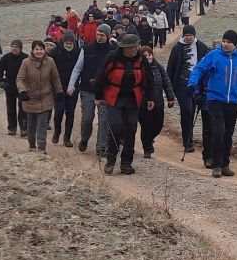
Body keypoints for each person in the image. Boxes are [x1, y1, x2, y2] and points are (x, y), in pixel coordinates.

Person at [186, 29, 237, 178]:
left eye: (229, 42)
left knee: (228, 135)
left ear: (234, 43)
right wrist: (192, 84)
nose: (225, 44)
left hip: (233, 102)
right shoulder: (214, 55)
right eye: (224, 41)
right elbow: (199, 69)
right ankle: (216, 165)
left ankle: (225, 164)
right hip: (215, 100)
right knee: (218, 132)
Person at [94, 34, 157, 174]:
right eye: (132, 47)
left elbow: (149, 79)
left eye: (136, 46)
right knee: (115, 127)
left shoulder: (141, 59)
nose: (135, 49)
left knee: (131, 129)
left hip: (133, 99)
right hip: (114, 98)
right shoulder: (112, 57)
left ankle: (126, 163)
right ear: (124, 48)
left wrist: (150, 98)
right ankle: (110, 160)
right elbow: (100, 76)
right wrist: (98, 97)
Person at [166, 24, 211, 158]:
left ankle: (199, 139)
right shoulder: (177, 49)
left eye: (190, 35)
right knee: (187, 109)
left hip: (197, 84)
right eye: (186, 35)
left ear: (194, 35)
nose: (188, 38)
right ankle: (187, 141)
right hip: (181, 83)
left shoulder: (202, 47)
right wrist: (170, 89)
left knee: (195, 109)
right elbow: (170, 68)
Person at [69, 23, 113, 155]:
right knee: (87, 118)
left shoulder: (112, 51)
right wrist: (72, 85)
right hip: (87, 89)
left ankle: (101, 146)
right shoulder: (86, 49)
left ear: (108, 36)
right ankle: (84, 138)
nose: (99, 37)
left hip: (105, 91)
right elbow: (77, 68)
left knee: (104, 119)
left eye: (102, 35)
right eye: (98, 34)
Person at [16, 40, 63, 153]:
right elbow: (20, 79)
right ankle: (32, 145)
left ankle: (41, 147)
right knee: (31, 124)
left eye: (41, 49)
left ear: (44, 50)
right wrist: (22, 91)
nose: (39, 51)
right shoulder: (26, 62)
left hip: (45, 97)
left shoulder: (50, 62)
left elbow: (55, 77)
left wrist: (59, 90)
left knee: (42, 123)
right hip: (30, 97)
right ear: (32, 50)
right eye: (36, 49)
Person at [137, 44, 176, 158]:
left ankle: (149, 140)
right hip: (143, 104)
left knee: (158, 125)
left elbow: (166, 81)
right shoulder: (138, 69)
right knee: (146, 126)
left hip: (158, 101)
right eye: (145, 56)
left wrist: (170, 97)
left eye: (149, 55)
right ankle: (147, 149)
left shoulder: (158, 67)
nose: (148, 57)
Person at [50, 32, 81, 148]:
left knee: (70, 112)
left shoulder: (78, 53)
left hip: (73, 87)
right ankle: (57, 132)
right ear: (63, 42)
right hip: (58, 86)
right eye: (66, 43)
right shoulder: (55, 53)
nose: (68, 46)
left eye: (70, 43)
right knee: (58, 111)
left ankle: (67, 137)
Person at [0, 39, 28, 136]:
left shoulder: (25, 58)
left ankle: (24, 128)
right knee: (10, 108)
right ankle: (12, 128)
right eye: (12, 46)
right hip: (9, 86)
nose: (14, 49)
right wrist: (1, 81)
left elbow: (31, 71)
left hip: (22, 86)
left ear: (20, 48)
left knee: (23, 108)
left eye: (16, 47)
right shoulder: (6, 58)